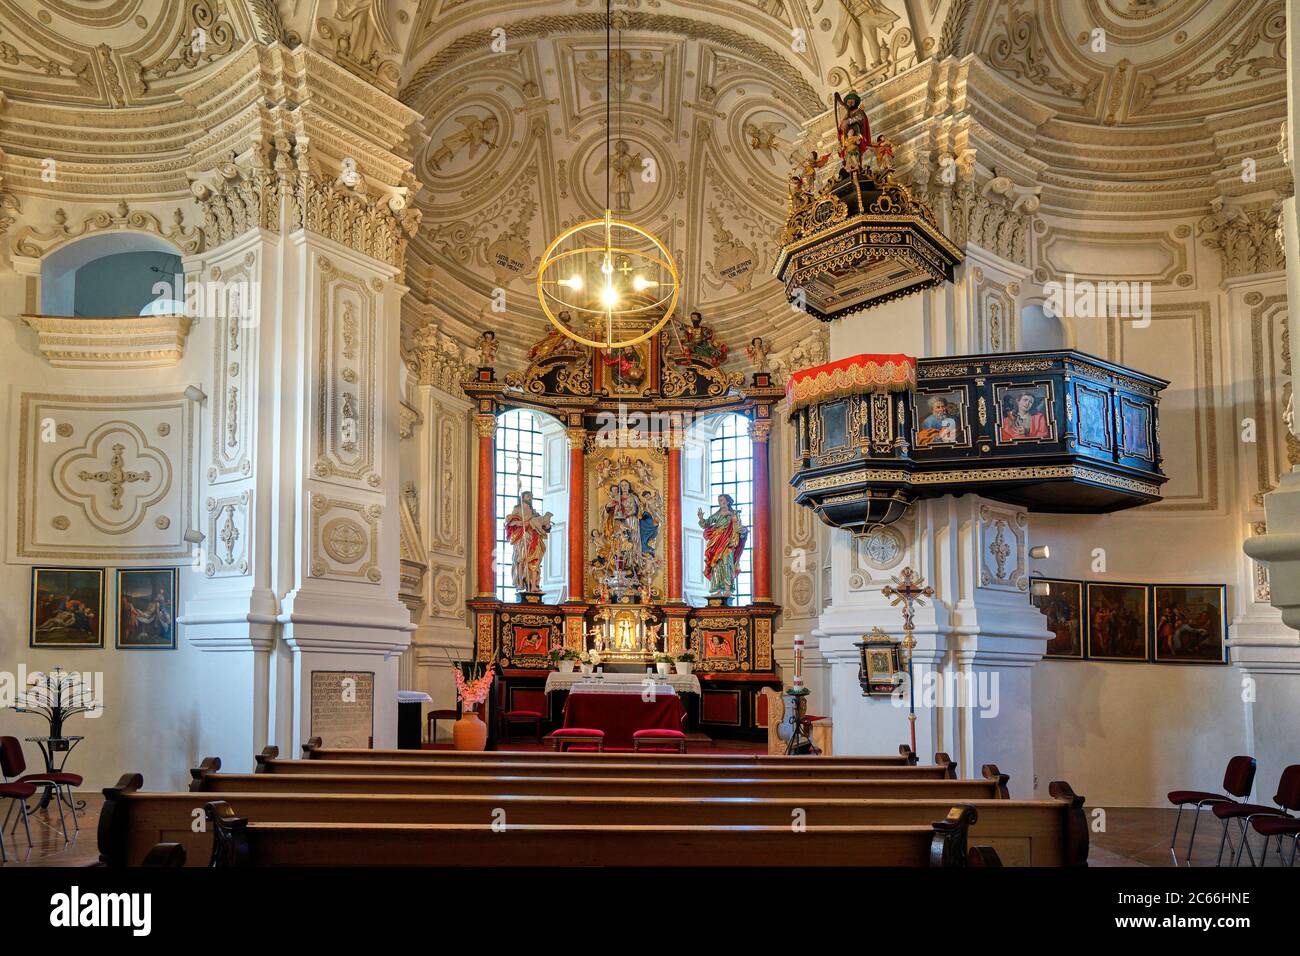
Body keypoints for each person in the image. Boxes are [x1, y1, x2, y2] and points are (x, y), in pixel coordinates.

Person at [698, 493, 748, 597]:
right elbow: (706, 524)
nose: (720, 502)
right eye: (719, 500)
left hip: (728, 542)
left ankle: (727, 589)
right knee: (716, 565)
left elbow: (739, 527)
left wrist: (738, 525)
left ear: (728, 501)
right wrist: (702, 518)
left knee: (726, 563)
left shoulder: (734, 513)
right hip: (716, 540)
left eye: (722, 500)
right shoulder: (717, 513)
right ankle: (718, 590)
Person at [504, 490, 552, 594]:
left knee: (534, 561)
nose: (530, 498)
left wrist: (547, 526)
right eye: (528, 496)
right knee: (521, 560)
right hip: (522, 537)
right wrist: (519, 522)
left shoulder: (534, 512)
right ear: (522, 497)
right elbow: (509, 522)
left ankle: (533, 584)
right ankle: (521, 583)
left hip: (534, 537)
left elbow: (542, 524)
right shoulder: (517, 509)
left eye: (531, 497)